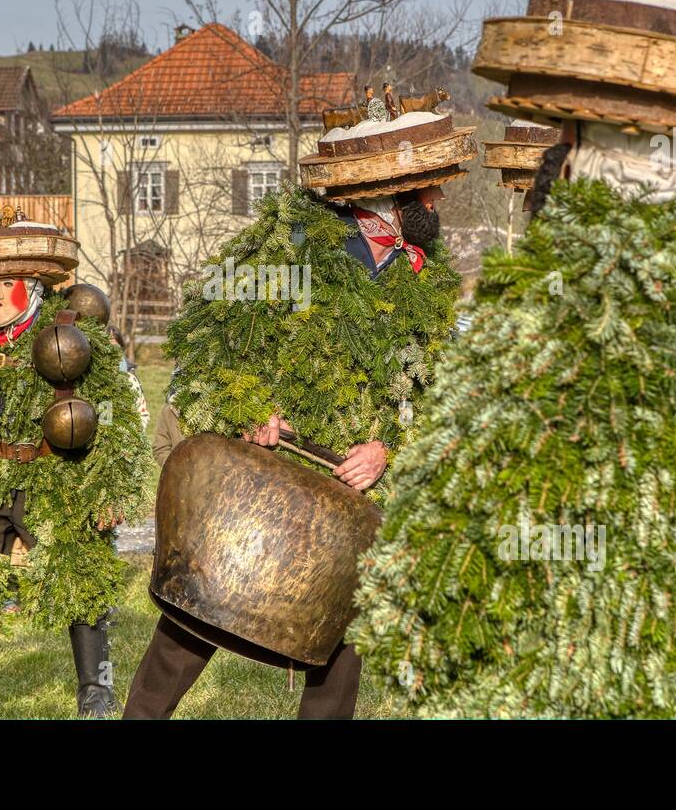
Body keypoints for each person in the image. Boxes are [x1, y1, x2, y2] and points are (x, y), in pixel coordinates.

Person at [124, 99, 473, 719]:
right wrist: (250, 412)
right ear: (398, 193)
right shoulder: (288, 249)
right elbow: (209, 343)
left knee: (341, 647)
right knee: (193, 621)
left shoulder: (429, 281)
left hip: (354, 495)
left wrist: (388, 449)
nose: (440, 203)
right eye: (433, 190)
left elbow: (441, 396)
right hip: (266, 472)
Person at [0, 216, 154, 719]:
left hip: (56, 475)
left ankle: (95, 690)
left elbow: (116, 422)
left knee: (79, 574)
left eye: (6, 284)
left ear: (34, 288)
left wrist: (107, 488)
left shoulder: (70, 339)